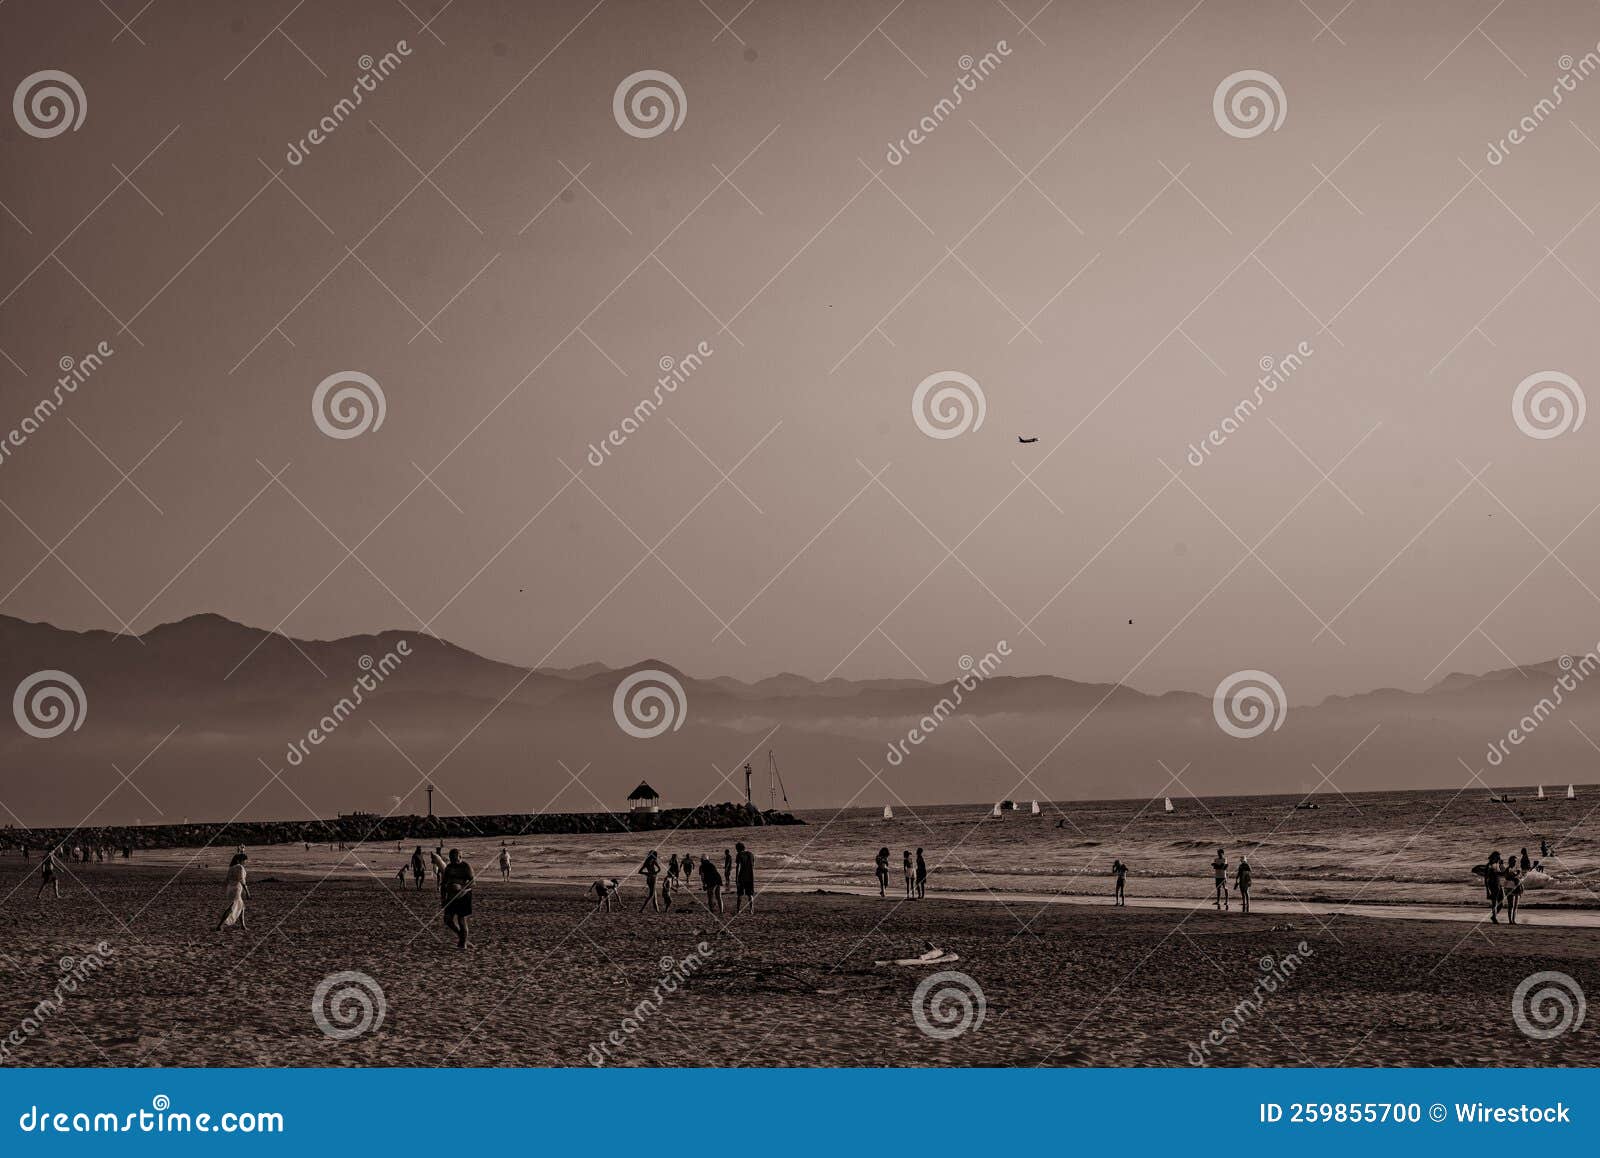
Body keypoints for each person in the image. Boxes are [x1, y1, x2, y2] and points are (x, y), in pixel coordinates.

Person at [440, 849, 474, 949]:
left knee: (461, 920)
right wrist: (443, 899)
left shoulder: (466, 866)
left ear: (460, 857)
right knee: (447, 919)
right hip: (450, 896)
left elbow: (473, 882)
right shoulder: (449, 867)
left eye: (454, 859)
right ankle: (463, 938)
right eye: (451, 859)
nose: (452, 861)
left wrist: (461, 887)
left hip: (463, 895)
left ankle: (463, 944)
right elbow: (443, 884)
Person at [216, 851, 250, 930]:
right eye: (244, 860)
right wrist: (247, 892)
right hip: (236, 889)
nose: (245, 862)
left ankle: (243, 926)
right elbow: (242, 880)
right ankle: (220, 925)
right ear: (239, 860)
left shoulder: (231, 867)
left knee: (241, 906)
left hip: (230, 888)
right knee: (231, 907)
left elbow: (227, 879)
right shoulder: (240, 867)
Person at [734, 841, 756, 915]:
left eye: (736, 849)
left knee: (740, 894)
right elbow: (753, 865)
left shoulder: (739, 854)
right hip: (750, 876)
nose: (736, 850)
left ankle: (738, 910)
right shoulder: (751, 854)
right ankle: (751, 910)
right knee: (750, 894)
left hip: (742, 876)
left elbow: (738, 866)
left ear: (739, 849)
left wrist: (736, 878)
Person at [1482, 850, 1504, 923]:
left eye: (1499, 857)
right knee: (1494, 902)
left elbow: (1501, 874)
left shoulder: (1497, 864)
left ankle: (1493, 916)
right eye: (1498, 857)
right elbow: (1485, 879)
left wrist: (1503, 866)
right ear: (1494, 857)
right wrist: (1487, 890)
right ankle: (1494, 917)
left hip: (1499, 884)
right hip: (1492, 885)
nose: (1499, 858)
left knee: (1502, 903)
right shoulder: (1489, 865)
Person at [1502, 853, 1522, 925]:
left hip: (1516, 888)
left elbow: (1519, 879)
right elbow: (1507, 877)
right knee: (1511, 905)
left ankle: (1513, 920)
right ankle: (1510, 920)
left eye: (1515, 861)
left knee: (1516, 905)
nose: (1514, 862)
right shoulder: (1508, 869)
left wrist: (1521, 887)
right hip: (1509, 888)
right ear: (1510, 862)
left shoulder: (1517, 869)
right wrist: (1516, 875)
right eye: (1513, 861)